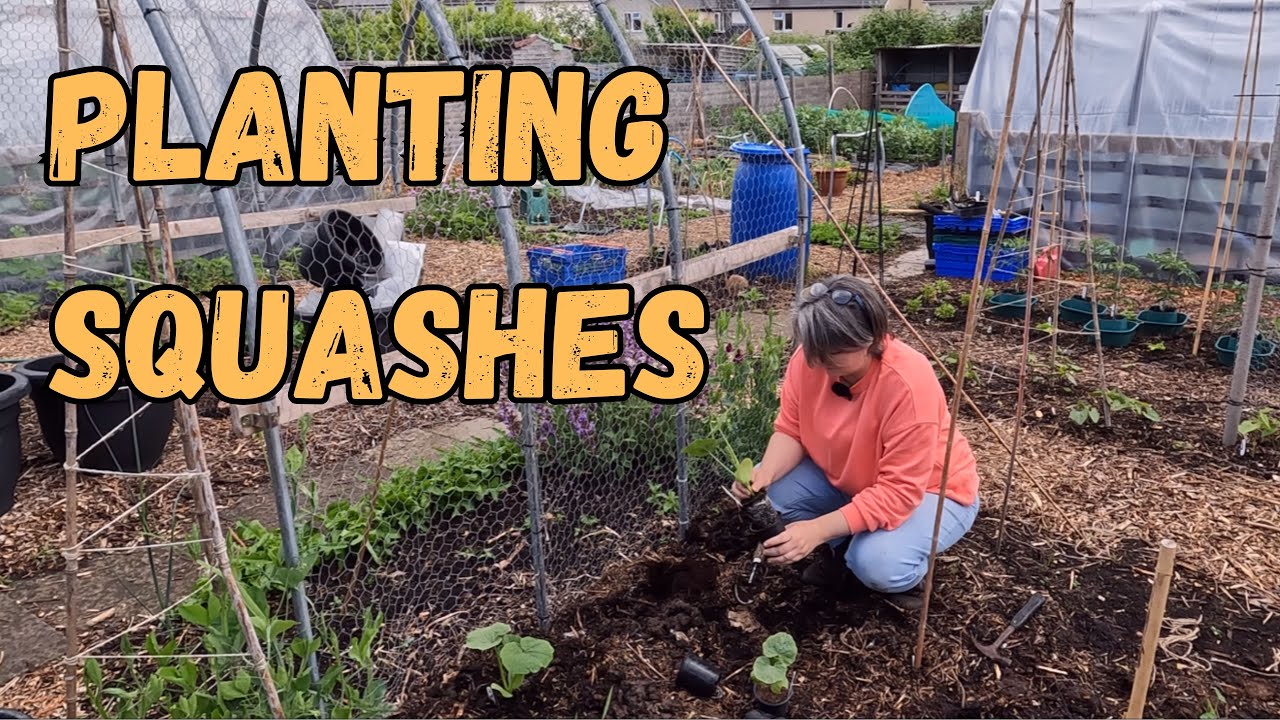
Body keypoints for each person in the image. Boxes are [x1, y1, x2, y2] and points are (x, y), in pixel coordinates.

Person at [732, 273, 981, 610]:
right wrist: (765, 475)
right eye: (813, 351)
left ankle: (899, 575)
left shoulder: (908, 385)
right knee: (769, 496)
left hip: (930, 491)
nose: (818, 364)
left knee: (878, 562)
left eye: (832, 354)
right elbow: (791, 429)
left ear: (872, 340)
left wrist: (817, 530)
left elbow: (899, 492)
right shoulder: (810, 360)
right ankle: (843, 548)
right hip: (849, 477)